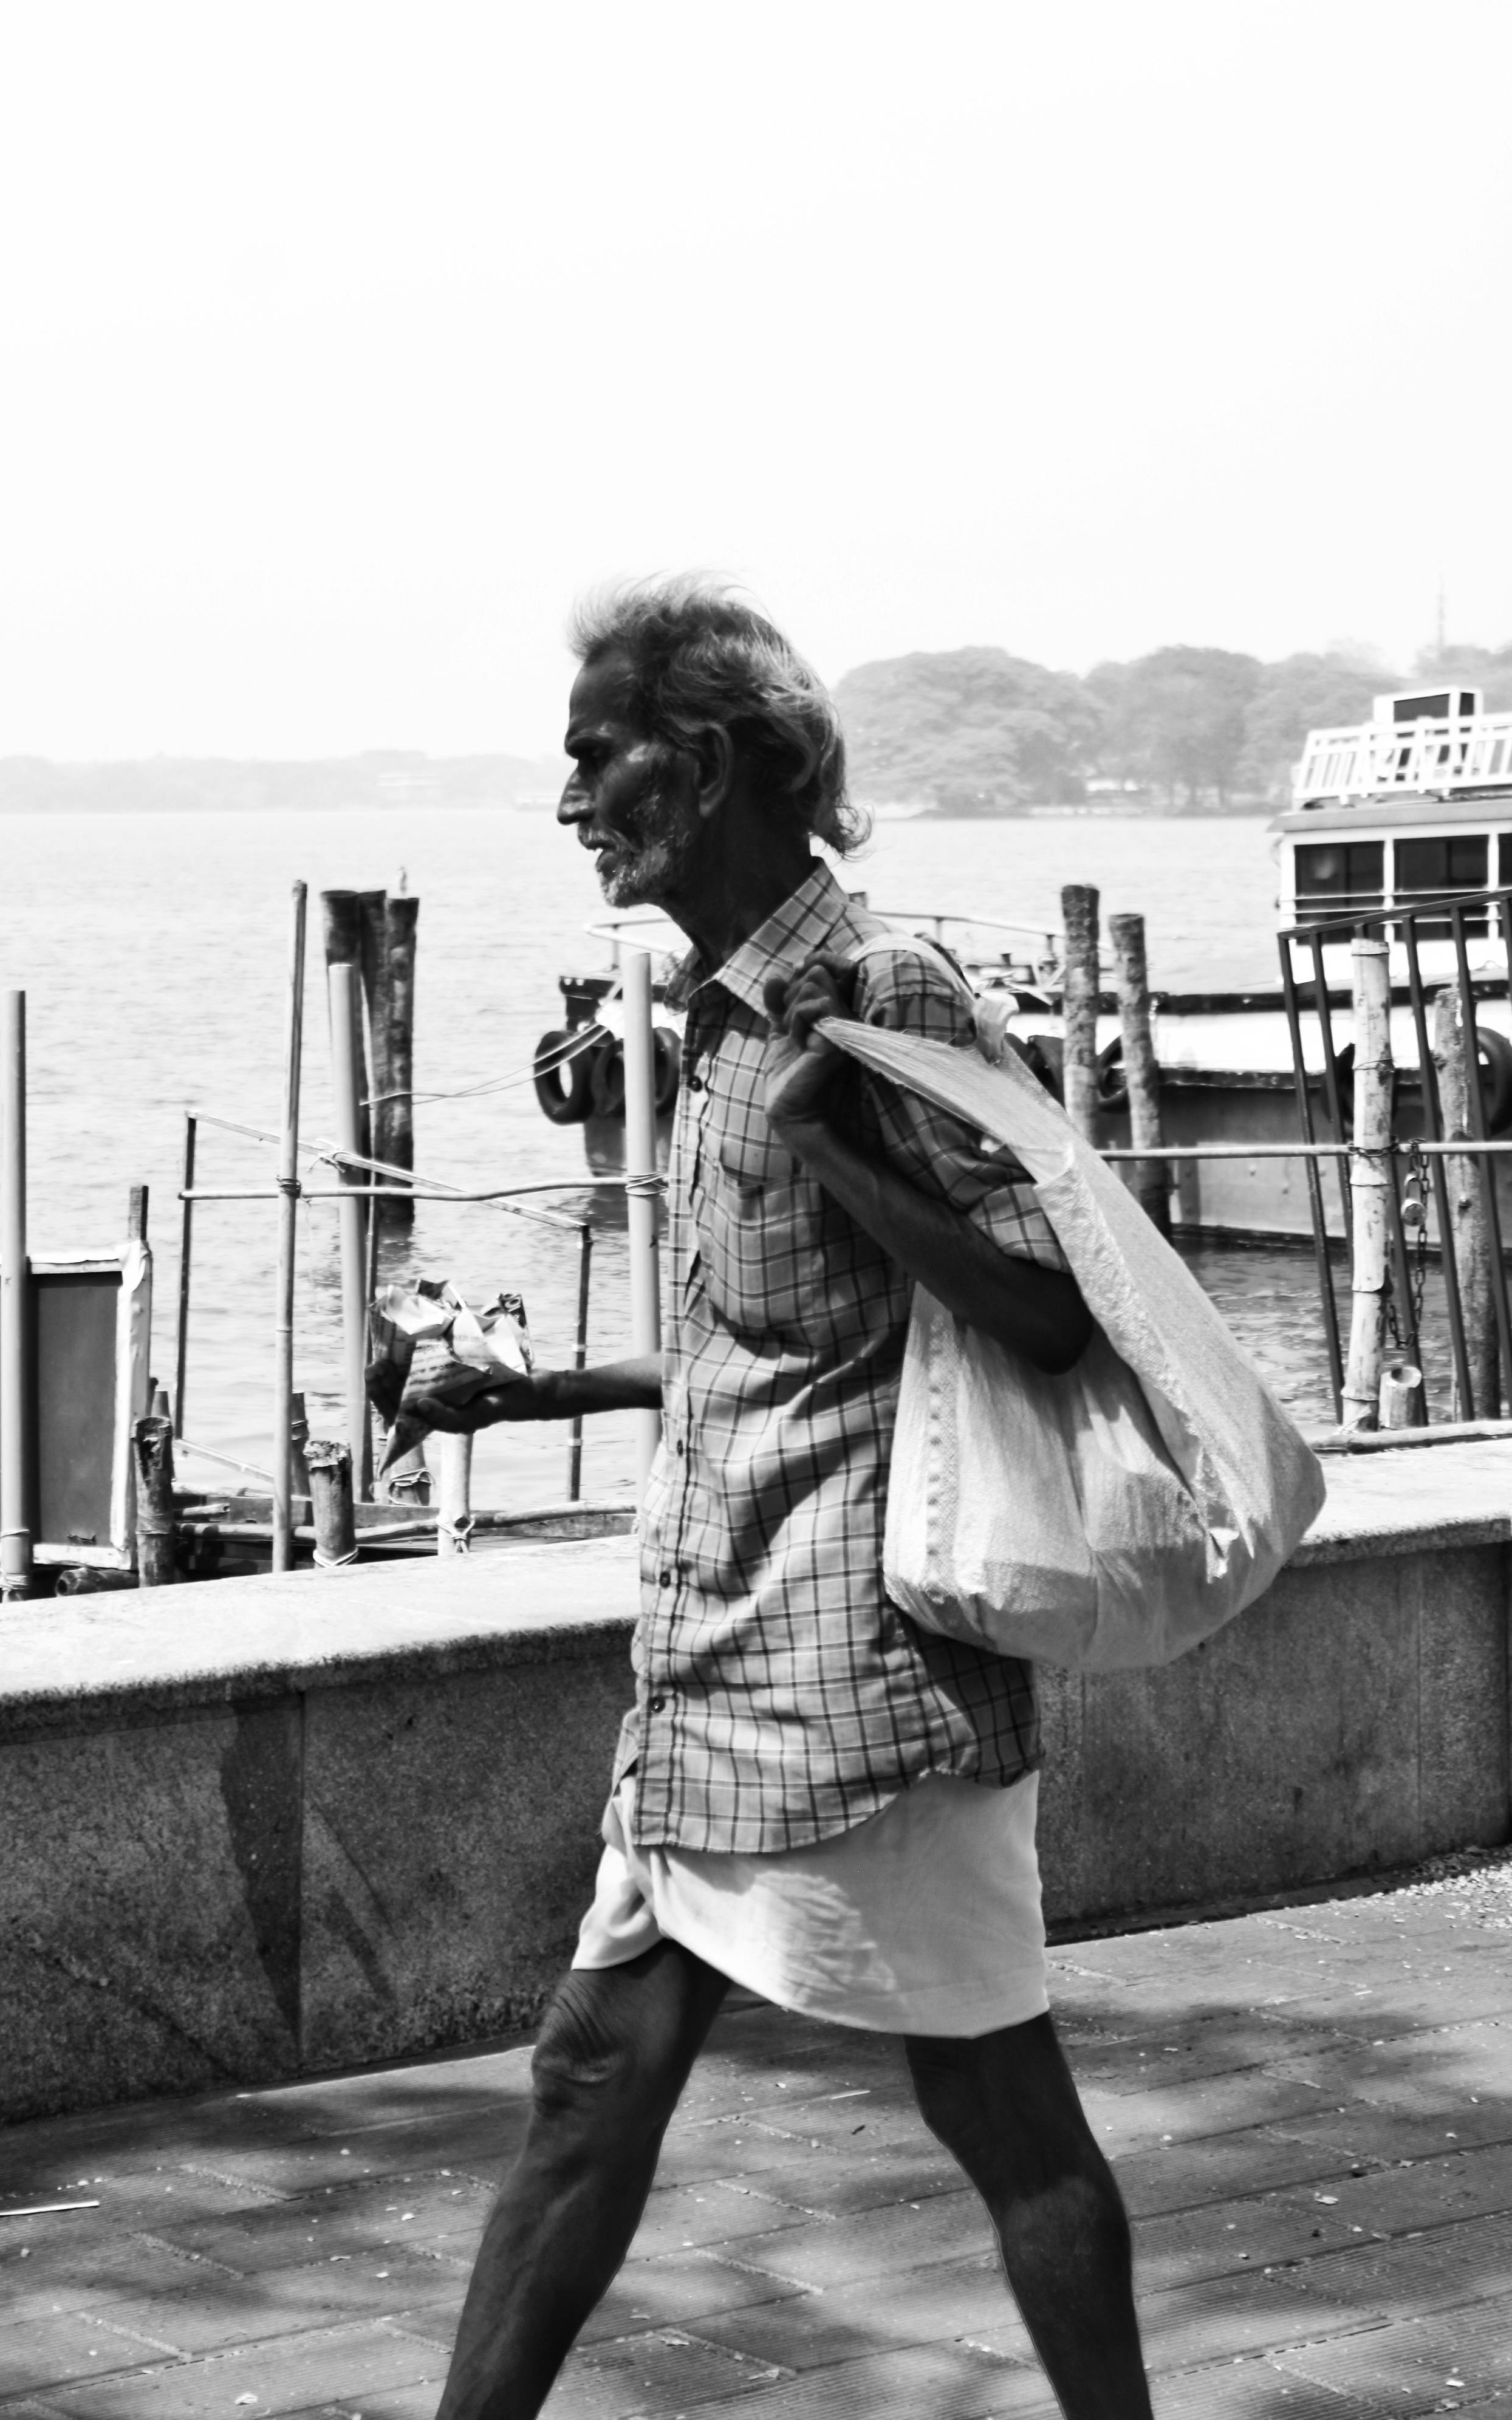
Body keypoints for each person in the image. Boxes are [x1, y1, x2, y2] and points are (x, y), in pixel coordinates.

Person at [416, 578, 1153, 2419]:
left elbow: (1053, 1311)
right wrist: (542, 1388)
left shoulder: (876, 996)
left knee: (1005, 2112)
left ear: (714, 760)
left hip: (865, 1692)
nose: (573, 801)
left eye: (598, 758)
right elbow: (776, 1344)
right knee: (592, 2086)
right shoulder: (721, 1012)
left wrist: (836, 1136)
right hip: (708, 1674)